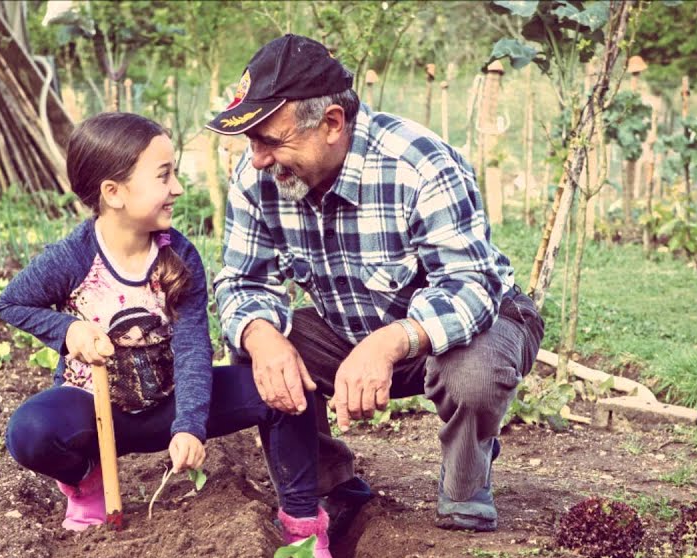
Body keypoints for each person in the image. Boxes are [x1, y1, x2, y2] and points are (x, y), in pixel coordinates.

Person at [206, 35, 546, 532]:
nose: (257, 158)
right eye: (251, 140)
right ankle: (326, 482)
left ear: (331, 124)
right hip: (347, 326)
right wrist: (262, 336)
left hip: (471, 326)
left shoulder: (419, 164)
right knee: (258, 346)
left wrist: (387, 344)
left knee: (472, 375)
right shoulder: (258, 176)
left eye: (272, 141)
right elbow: (241, 281)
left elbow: (471, 286)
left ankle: (467, 481)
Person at [0, 112, 342, 558]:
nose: (178, 188)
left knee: (284, 391)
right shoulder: (73, 257)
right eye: (164, 176)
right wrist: (70, 332)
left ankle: (303, 530)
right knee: (30, 431)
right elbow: (13, 303)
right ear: (113, 193)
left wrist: (189, 424)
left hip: (170, 402)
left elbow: (193, 348)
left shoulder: (177, 257)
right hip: (97, 412)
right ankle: (86, 483)